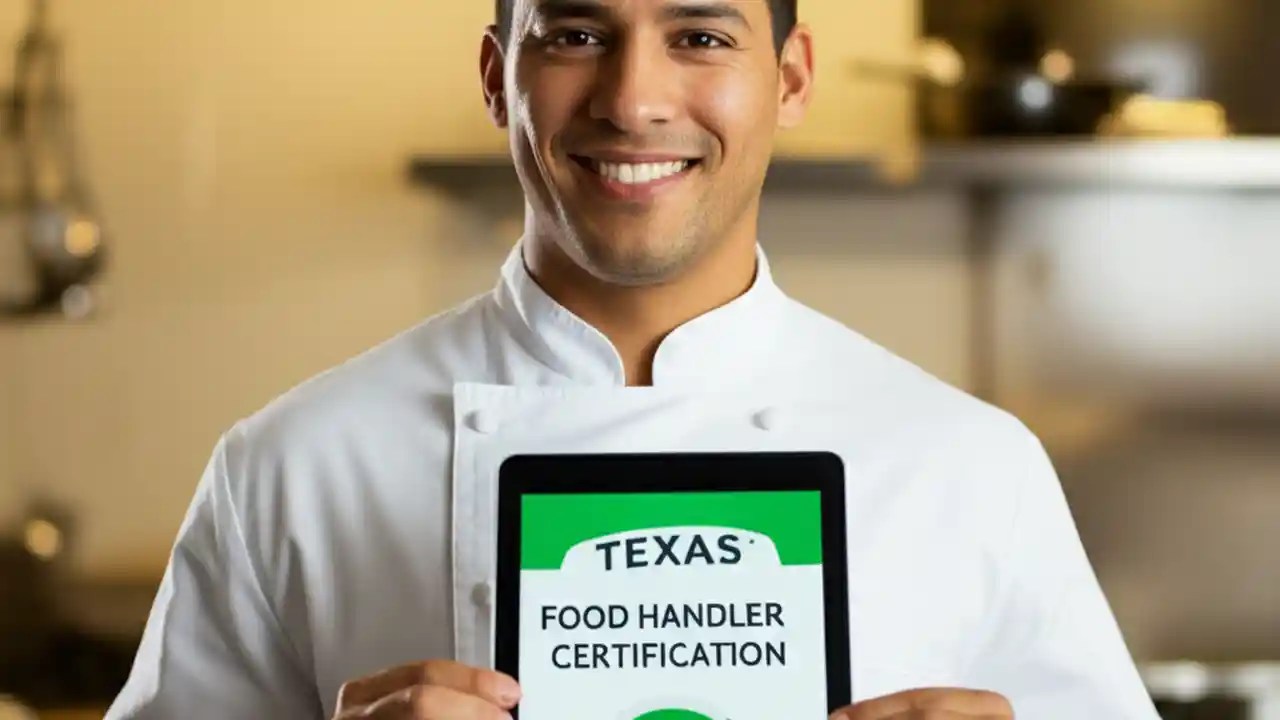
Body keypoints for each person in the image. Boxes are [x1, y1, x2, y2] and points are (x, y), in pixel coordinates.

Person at [107, 0, 1160, 718]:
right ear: (495, 74)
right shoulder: (289, 466)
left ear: (789, 80)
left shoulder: (968, 465)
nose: (631, 98)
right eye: (573, 32)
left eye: (698, 34)